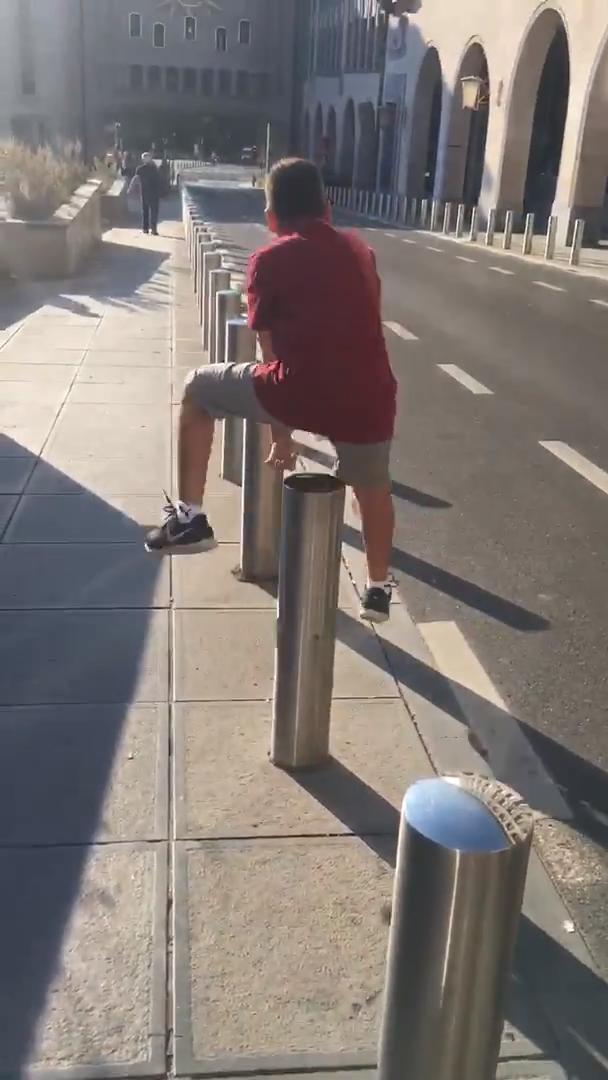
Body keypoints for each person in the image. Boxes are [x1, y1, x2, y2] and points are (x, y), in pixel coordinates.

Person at [145, 158, 397, 623]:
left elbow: (270, 355)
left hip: (300, 390)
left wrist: (282, 434)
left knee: (198, 390)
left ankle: (189, 517)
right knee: (373, 485)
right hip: (370, 395)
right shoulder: (362, 250)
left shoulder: (269, 260)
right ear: (327, 207)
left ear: (271, 218)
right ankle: (379, 587)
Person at [132, 151, 161, 235]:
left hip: (147, 192)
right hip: (151, 193)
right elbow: (136, 179)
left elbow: (135, 179)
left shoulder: (140, 169)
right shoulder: (154, 168)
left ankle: (146, 229)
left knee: (146, 211)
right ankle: (152, 229)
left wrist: (131, 189)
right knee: (152, 211)